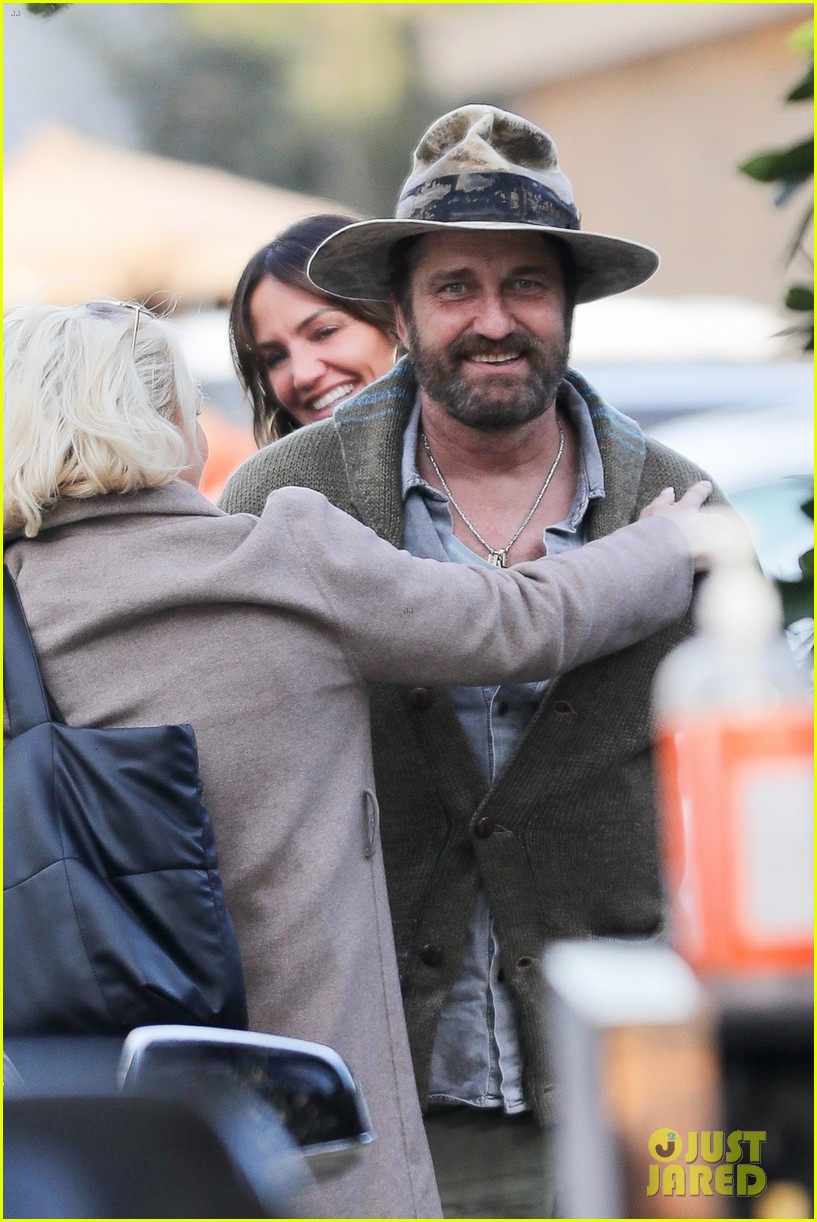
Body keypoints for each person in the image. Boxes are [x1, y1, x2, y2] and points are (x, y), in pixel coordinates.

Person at [3, 302, 721, 1219]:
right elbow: (513, 622)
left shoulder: (16, 606)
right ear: (151, 422)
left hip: (100, 1124)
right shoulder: (275, 555)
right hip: (309, 1120)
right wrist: (657, 550)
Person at [219, 104, 729, 1218]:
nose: (493, 321)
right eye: (455, 286)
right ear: (397, 311)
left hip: (629, 1099)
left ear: (569, 306)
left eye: (527, 286)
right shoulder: (283, 499)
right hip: (371, 1104)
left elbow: (733, 804)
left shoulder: (676, 510)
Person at [229, 214, 399, 446]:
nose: (303, 375)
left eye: (325, 332)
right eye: (276, 358)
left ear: (399, 318)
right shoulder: (269, 482)